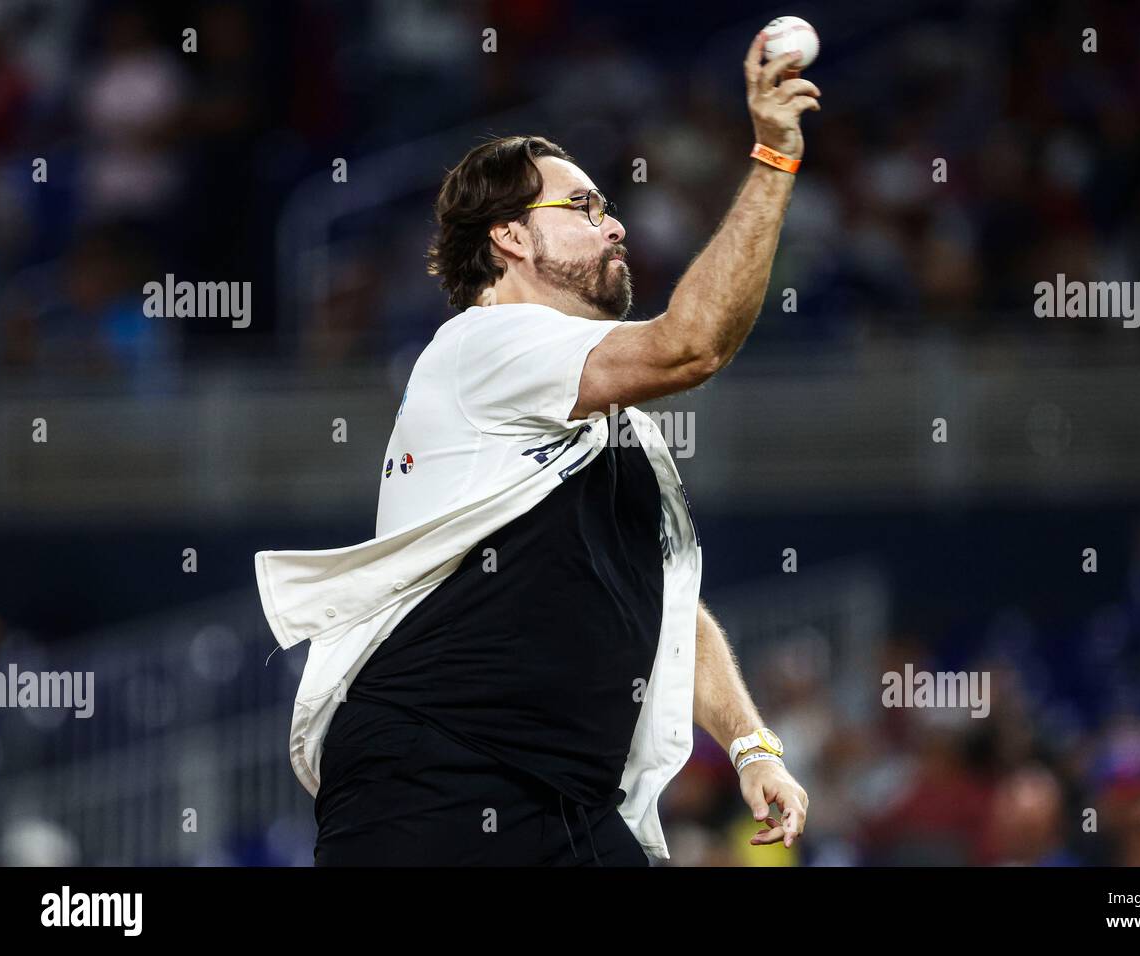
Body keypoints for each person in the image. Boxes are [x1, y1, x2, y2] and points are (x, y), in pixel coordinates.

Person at [256, 31, 818, 866]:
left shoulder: (614, 426)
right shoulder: (482, 344)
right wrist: (773, 157)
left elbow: (669, 608)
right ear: (510, 239)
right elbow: (691, 344)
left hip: (569, 800)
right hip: (433, 773)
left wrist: (751, 746)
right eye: (585, 208)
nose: (616, 225)